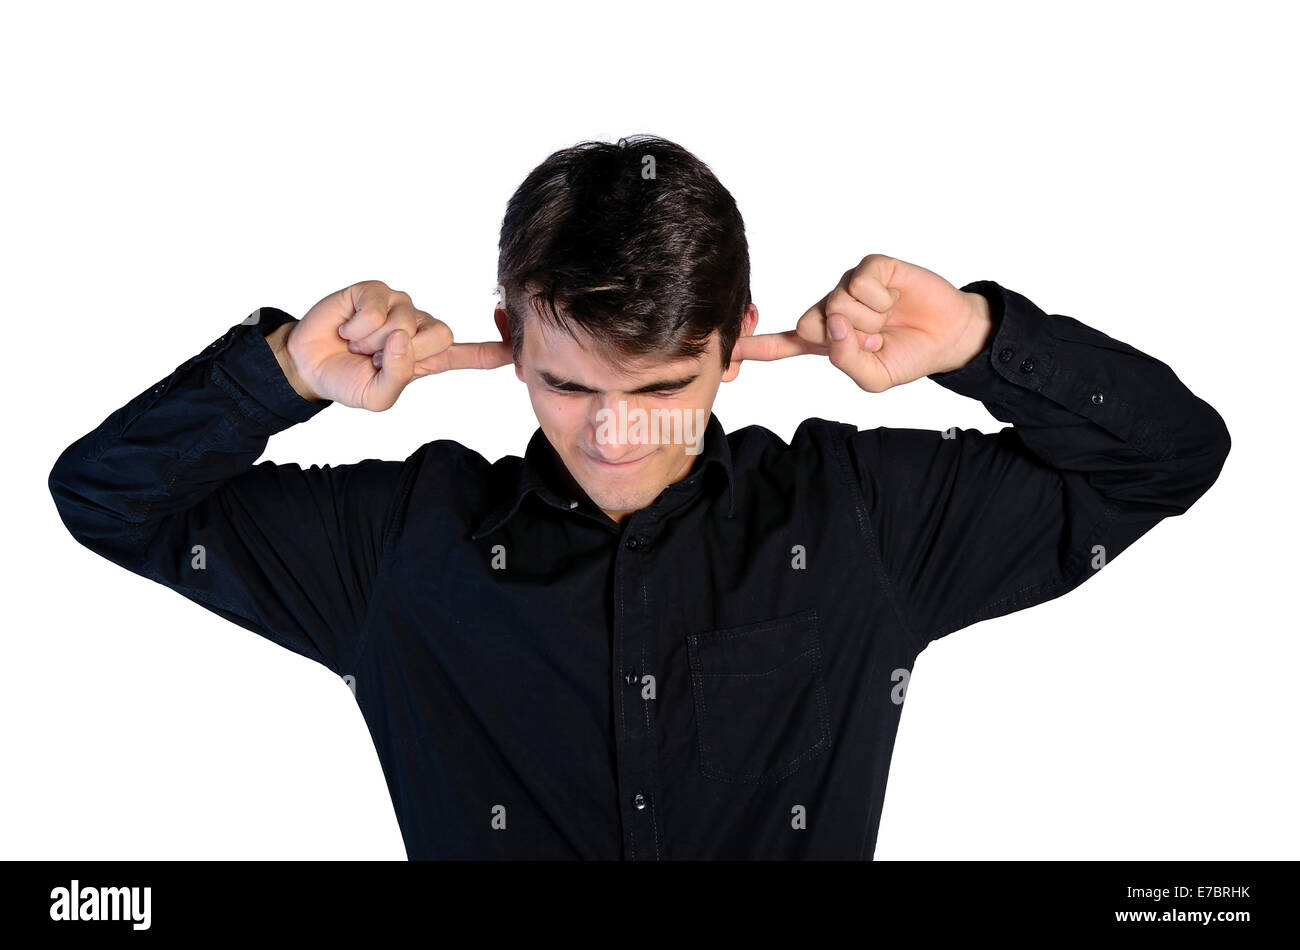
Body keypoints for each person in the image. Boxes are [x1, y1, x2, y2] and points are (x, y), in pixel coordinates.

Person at [48, 135, 1231, 859]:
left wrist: (975, 338)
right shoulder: (398, 548)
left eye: (661, 383)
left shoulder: (857, 516)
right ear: (507, 338)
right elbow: (108, 500)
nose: (614, 431)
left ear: (736, 343)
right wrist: (283, 373)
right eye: (566, 383)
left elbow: (1169, 456)